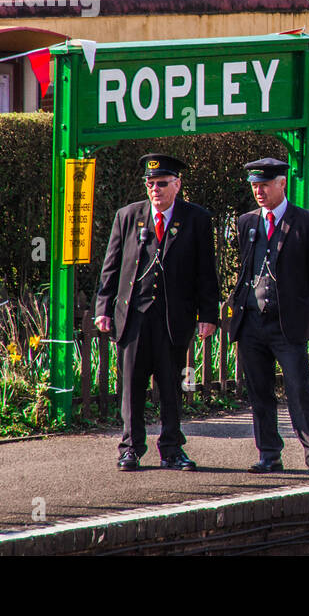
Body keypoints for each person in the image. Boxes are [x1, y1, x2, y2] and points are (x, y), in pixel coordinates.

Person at [95, 153, 219, 471]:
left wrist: (208, 314)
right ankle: (130, 448)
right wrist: (103, 307)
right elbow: (111, 267)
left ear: (177, 185)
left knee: (170, 386)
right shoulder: (128, 216)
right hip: (134, 317)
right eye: (150, 184)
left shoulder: (196, 219)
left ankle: (172, 449)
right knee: (131, 386)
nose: (155, 190)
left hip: (171, 318)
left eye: (162, 183)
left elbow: (207, 272)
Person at [226, 157, 309, 479]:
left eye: (265, 185)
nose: (259, 191)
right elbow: (244, 268)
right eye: (255, 186)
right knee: (259, 392)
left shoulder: (307, 222)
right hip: (251, 324)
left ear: (282, 183)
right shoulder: (247, 223)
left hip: (287, 326)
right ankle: (269, 455)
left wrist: (300, 306)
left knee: (299, 390)